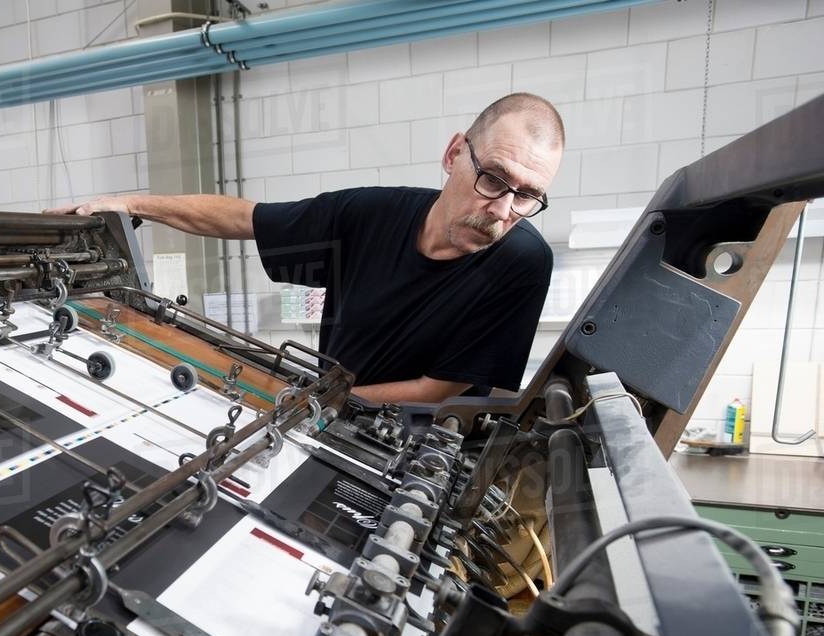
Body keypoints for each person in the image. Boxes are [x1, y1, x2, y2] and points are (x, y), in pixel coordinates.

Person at [45, 92, 564, 404]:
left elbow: (438, 389)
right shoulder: (370, 216)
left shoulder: (520, 262)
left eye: (528, 196)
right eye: (494, 179)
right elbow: (245, 218)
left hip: (413, 444)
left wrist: (306, 407)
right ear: (454, 154)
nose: (503, 210)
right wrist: (129, 203)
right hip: (330, 409)